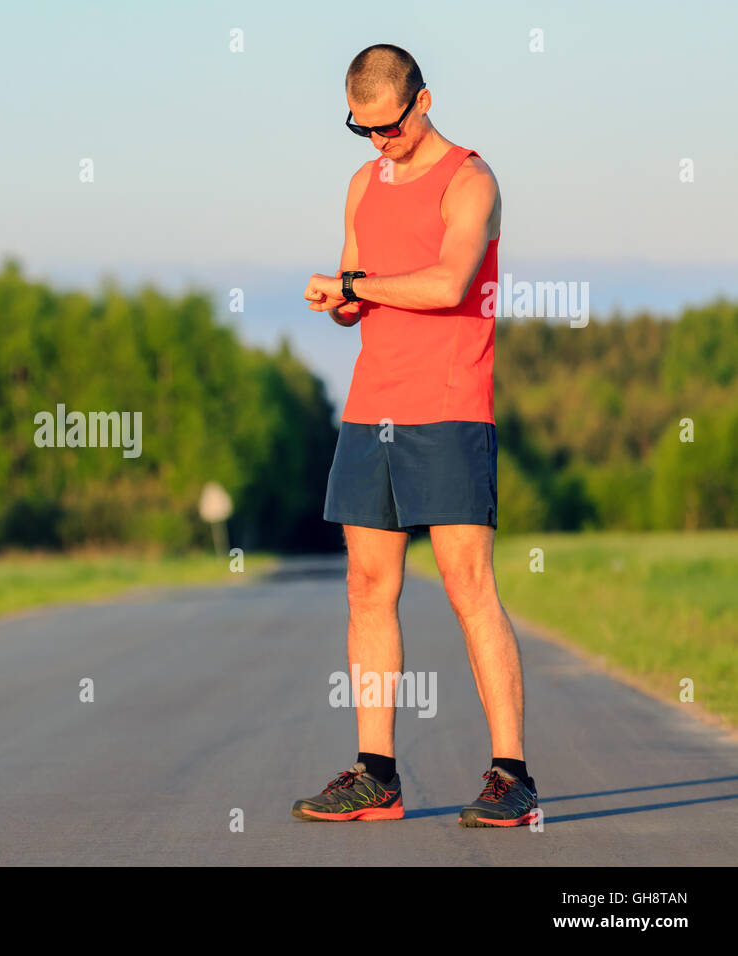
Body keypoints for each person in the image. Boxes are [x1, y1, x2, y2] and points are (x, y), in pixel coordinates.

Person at [293, 44, 539, 827]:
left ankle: (512, 774)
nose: (377, 143)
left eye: (389, 127)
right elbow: (358, 284)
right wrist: (340, 300)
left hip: (451, 404)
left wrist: (359, 286)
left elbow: (447, 283)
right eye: (360, 129)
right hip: (373, 408)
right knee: (367, 588)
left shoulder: (471, 179)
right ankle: (377, 775)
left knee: (470, 588)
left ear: (422, 102)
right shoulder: (364, 182)